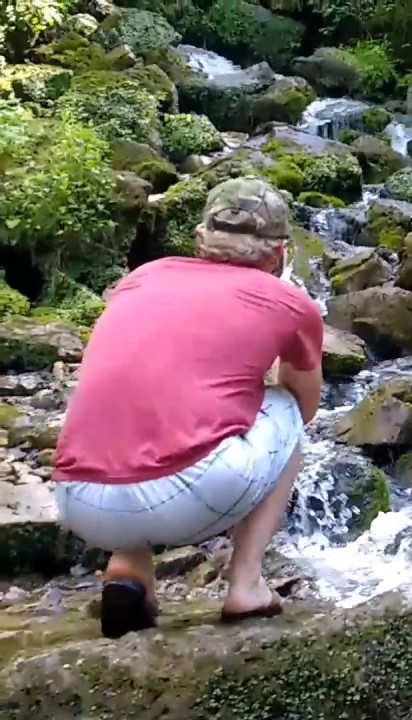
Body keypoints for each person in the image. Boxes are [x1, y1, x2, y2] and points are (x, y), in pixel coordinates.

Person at [52, 177, 325, 639]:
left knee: (129, 415)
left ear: (200, 240)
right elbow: (306, 403)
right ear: (279, 253)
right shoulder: (289, 302)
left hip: (77, 497)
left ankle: (127, 567)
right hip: (188, 492)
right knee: (284, 408)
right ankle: (246, 583)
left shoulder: (141, 278)